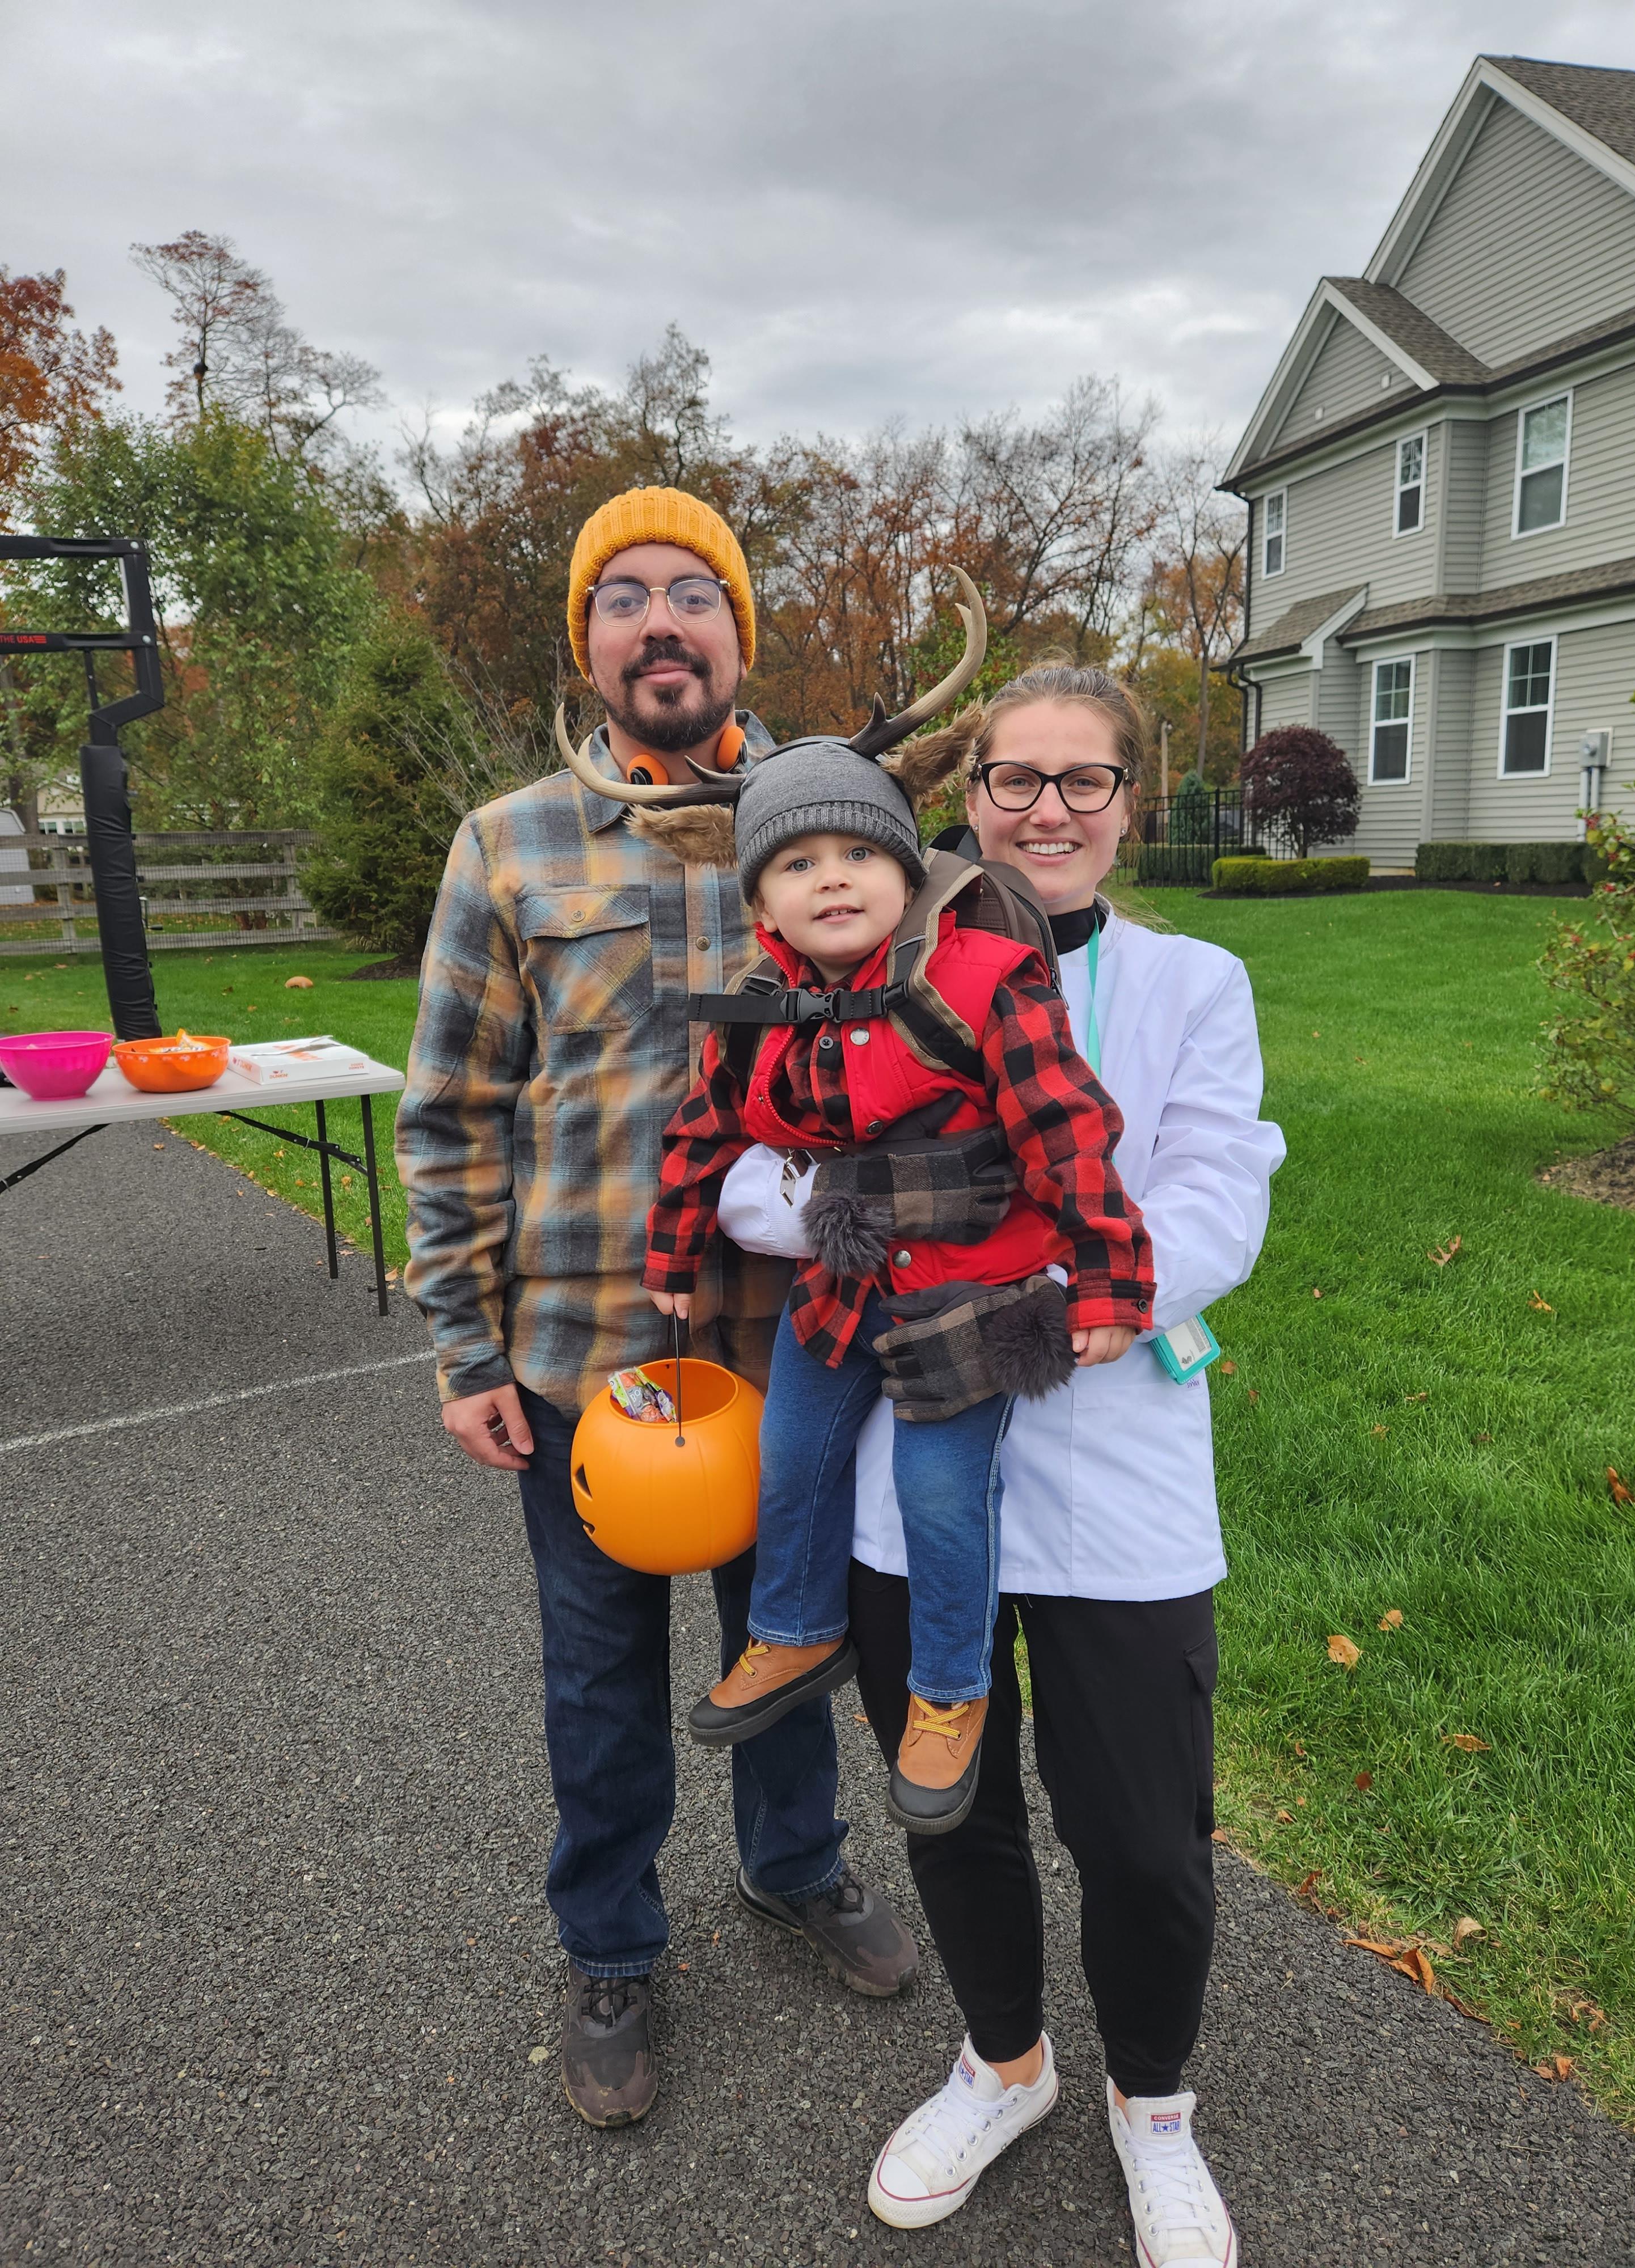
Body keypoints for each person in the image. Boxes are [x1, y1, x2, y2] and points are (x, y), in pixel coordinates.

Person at [718, 663, 1285, 2261]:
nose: (1046, 808)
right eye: (1014, 781)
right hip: (916, 1477)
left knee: (1143, 1836)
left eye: (1082, 781)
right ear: (968, 806)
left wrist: (1035, 1306)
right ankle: (1005, 2063)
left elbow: (1215, 1194)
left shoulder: (1194, 984)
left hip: (1120, 1480)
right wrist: (937, 1255)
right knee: (945, 1803)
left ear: (1128, 803)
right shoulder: (847, 973)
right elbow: (758, 1183)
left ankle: (1152, 2105)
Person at [395, 488, 917, 2134]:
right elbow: (454, 1107)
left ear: (741, 633)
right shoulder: (511, 843)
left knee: (788, 1636)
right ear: (589, 643)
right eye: (622, 598)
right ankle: (611, 1945)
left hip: (804, 1340)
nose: (661, 624)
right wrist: (464, 1345)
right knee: (596, 1668)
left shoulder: (829, 825)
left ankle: (794, 1870)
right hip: (584, 1352)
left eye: (696, 593)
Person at [637, 727, 1152, 1833]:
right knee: (791, 1458)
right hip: (847, 1276)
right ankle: (794, 1628)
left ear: (907, 873)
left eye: (859, 854)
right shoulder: (755, 1005)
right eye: (796, 860)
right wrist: (674, 1249)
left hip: (969, 1291)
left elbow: (1070, 1128)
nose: (832, 875)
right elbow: (700, 1127)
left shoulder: (983, 976)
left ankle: (951, 1691)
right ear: (763, 905)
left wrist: (1109, 1274)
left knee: (938, 1492)